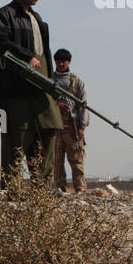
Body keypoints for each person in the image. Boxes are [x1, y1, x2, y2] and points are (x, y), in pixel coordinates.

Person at [0, 0, 64, 187]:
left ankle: (41, 192)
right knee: (14, 141)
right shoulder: (3, 15)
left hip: (42, 91)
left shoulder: (38, 19)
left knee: (49, 132)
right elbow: (0, 46)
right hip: (11, 93)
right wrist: (27, 56)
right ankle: (12, 192)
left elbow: (45, 56)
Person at [51, 48, 88, 192]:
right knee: (56, 161)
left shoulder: (77, 81)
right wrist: (56, 105)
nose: (61, 64)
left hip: (72, 126)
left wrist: (81, 127)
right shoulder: (49, 79)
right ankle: (60, 188)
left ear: (69, 62)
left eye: (64, 61)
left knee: (77, 160)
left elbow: (83, 105)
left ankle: (80, 189)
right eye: (58, 61)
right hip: (54, 126)